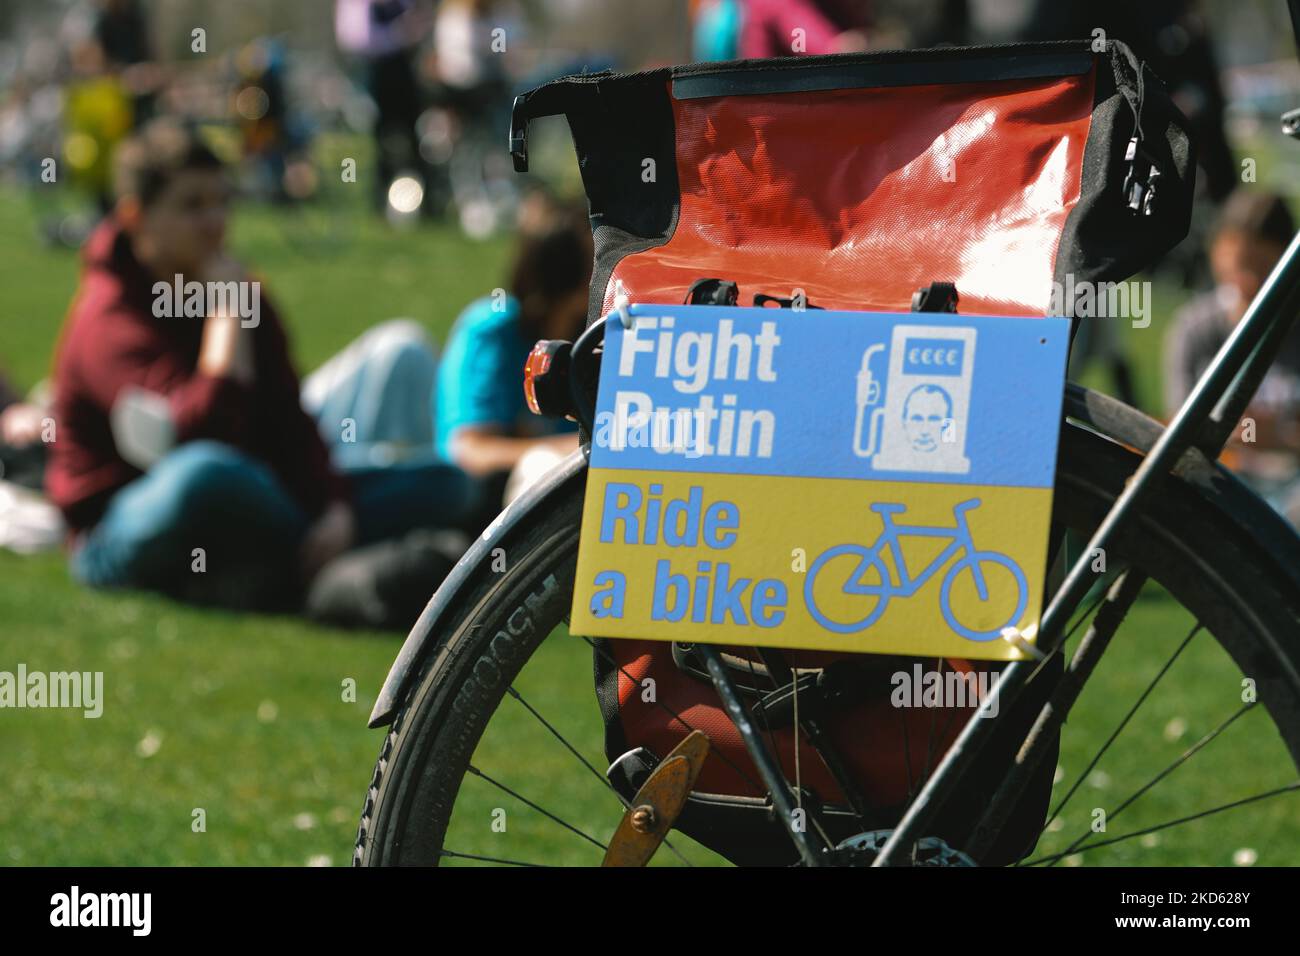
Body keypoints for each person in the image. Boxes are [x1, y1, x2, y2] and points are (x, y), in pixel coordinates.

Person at [46, 119, 474, 619]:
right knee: (202, 475)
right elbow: (194, 438)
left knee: (448, 482)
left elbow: (288, 419)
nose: (215, 221)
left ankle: (292, 564)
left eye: (221, 202)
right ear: (136, 216)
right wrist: (227, 317)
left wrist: (332, 509)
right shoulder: (109, 314)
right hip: (127, 526)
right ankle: (312, 571)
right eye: (192, 206)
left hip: (254, 497)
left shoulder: (236, 287)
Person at [435, 194, 589, 511]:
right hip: (491, 510)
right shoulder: (493, 331)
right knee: (540, 465)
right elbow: (470, 451)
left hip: (567, 497)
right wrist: (574, 453)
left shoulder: (591, 338)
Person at [1164, 189, 1300, 523]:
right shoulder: (1196, 328)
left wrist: (1281, 439)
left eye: (1259, 269)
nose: (1246, 283)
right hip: (1220, 479)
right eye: (1237, 268)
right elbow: (1174, 427)